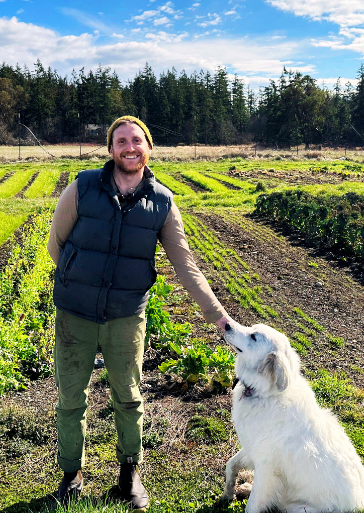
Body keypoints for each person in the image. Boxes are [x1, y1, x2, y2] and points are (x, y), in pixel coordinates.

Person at [47, 115, 233, 510]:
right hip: (74, 314)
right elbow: (56, 244)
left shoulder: (162, 202)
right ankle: (71, 474)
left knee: (128, 396)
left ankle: (129, 473)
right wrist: (79, 280)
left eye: (136, 141)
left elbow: (185, 264)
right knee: (70, 398)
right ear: (110, 149)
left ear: (149, 147)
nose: (129, 148)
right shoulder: (82, 188)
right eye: (121, 141)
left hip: (126, 316)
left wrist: (219, 317)